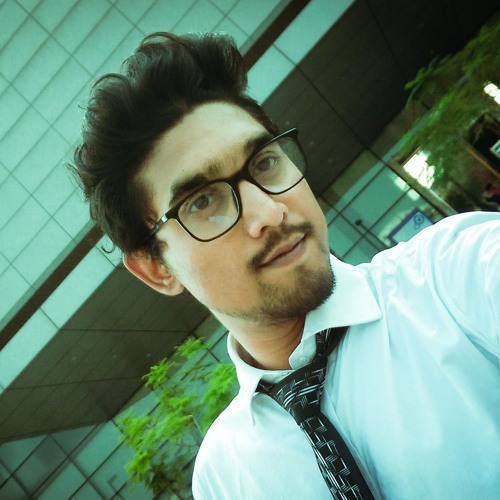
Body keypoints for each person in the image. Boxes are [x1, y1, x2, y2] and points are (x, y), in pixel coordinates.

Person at [72, 32, 500, 499]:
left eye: (264, 163)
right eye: (203, 201)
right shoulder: (225, 478)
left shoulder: (455, 276)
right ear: (157, 268)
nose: (270, 212)